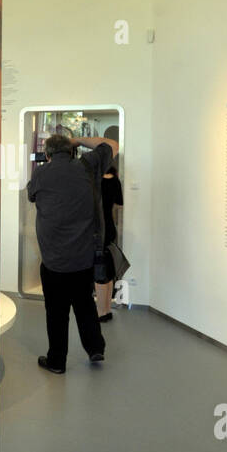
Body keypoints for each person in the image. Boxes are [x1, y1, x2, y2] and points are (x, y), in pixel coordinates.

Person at [26, 131, 119, 373]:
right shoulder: (88, 165)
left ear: (47, 154)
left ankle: (57, 361)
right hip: (83, 257)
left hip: (54, 260)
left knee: (56, 313)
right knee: (85, 304)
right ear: (72, 151)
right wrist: (78, 140)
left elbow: (31, 195)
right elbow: (112, 144)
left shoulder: (41, 173)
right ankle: (95, 347)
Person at [96, 130, 124, 322]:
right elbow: (118, 205)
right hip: (110, 227)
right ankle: (107, 309)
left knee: (99, 269)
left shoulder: (93, 180)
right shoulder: (115, 181)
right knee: (108, 266)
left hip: (96, 228)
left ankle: (100, 312)